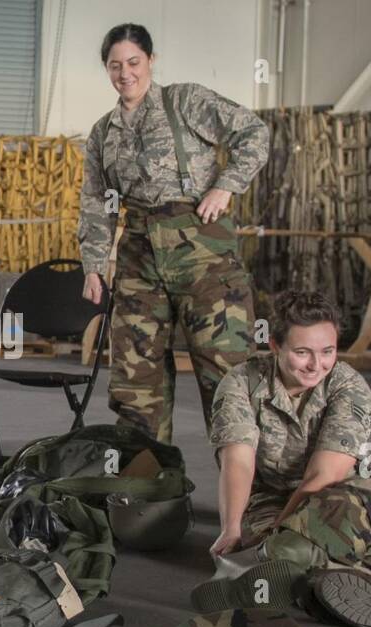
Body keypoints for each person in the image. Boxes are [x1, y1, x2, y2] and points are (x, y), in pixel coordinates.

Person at [78, 22, 268, 445]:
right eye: (115, 65)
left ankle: (250, 498)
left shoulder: (185, 101)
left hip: (204, 257)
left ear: (150, 61)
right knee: (135, 379)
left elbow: (254, 132)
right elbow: (97, 201)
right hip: (139, 258)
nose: (125, 73)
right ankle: (146, 490)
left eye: (133, 62)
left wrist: (226, 185)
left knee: (228, 375)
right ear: (106, 70)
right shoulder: (102, 134)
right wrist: (93, 266)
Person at [190, 290, 371, 627]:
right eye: (302, 352)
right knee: (275, 554)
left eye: (328, 351)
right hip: (271, 502)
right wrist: (232, 528)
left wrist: (281, 535)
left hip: (351, 506)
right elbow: (238, 460)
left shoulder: (348, 386)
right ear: (275, 346)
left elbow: (324, 475)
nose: (317, 365)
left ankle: (279, 568)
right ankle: (359, 593)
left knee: (281, 552)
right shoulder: (241, 382)